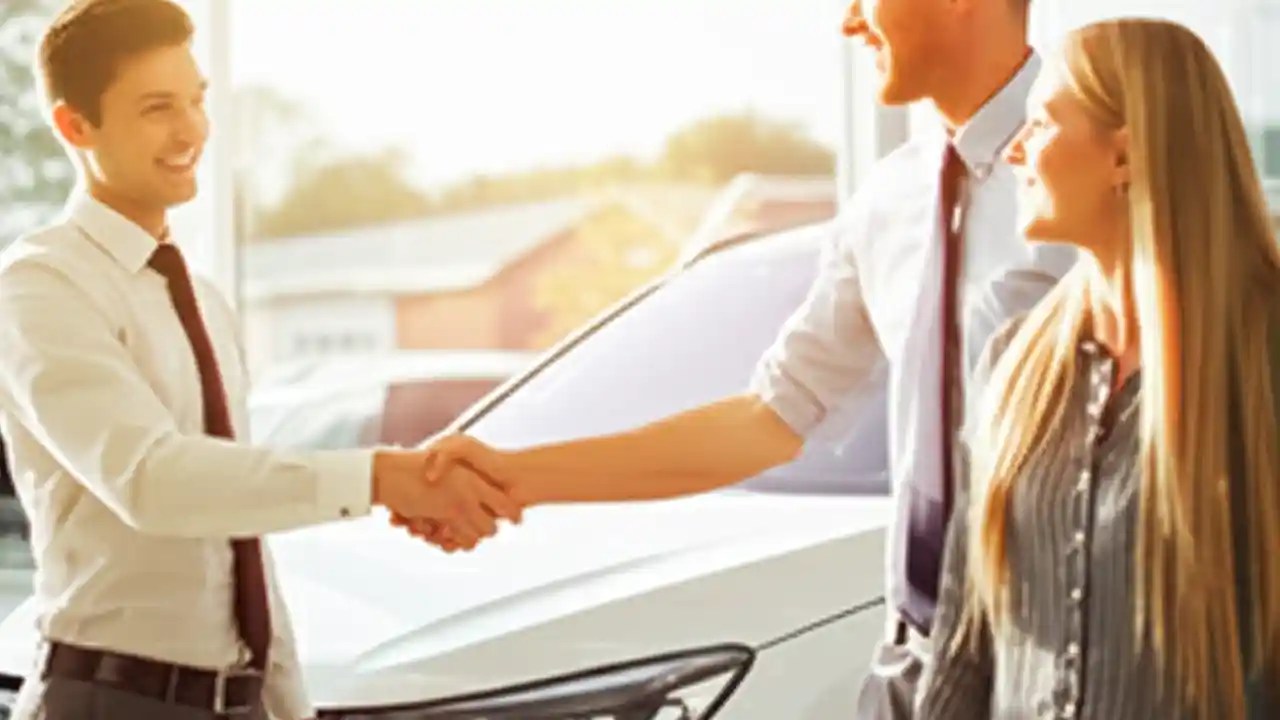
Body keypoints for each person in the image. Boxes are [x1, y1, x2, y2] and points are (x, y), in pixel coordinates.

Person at [409, 0, 1076, 714]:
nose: (849, 22)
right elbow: (770, 417)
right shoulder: (889, 199)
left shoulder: (1110, 166)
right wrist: (511, 474)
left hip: (1065, 657)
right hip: (916, 663)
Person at [0, 2, 521, 718]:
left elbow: (234, 531)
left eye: (196, 100)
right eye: (157, 108)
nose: (191, 131)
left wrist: (285, 700)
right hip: (109, 698)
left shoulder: (203, 300)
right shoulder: (39, 286)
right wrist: (384, 477)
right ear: (74, 126)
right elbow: (152, 481)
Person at [916, 18, 1280, 720]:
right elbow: (966, 642)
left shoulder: (1263, 354)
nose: (1016, 151)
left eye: (1044, 125)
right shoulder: (1011, 362)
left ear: (1127, 155)